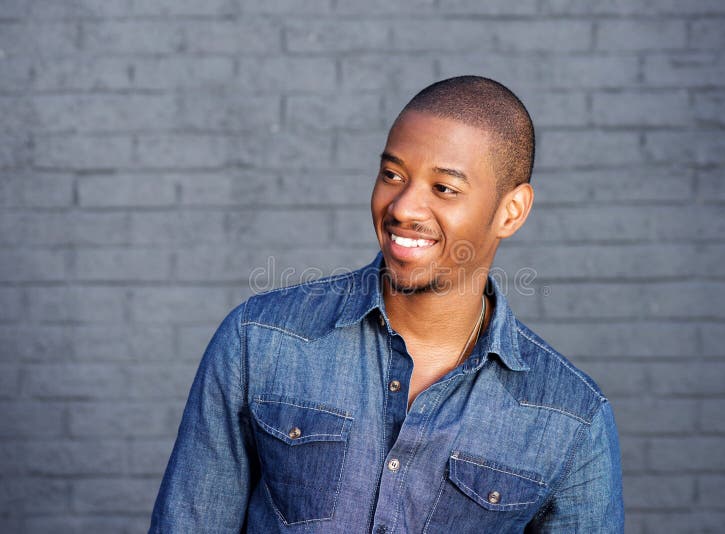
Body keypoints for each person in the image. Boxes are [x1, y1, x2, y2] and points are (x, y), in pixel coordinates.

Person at [149, 75, 624, 533]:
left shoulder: (570, 419)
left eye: (444, 188)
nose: (403, 207)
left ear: (511, 211)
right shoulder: (260, 341)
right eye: (393, 174)